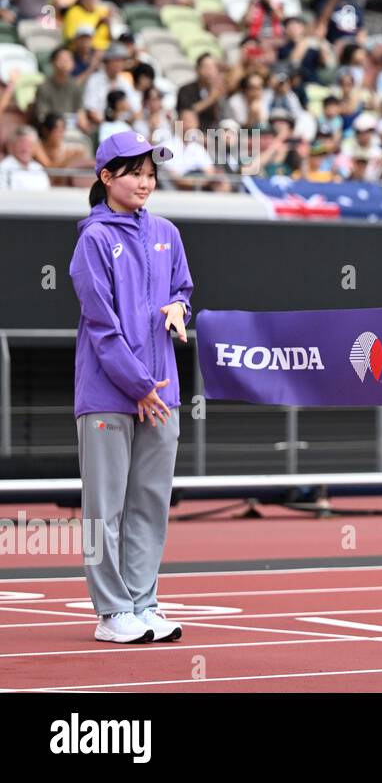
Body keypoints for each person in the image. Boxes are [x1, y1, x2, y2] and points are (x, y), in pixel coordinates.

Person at [70, 131, 192, 645]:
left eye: (149, 173)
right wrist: (139, 385)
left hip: (161, 395)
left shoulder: (167, 231)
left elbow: (183, 289)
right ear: (106, 178)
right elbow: (101, 326)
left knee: (149, 502)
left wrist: (178, 309)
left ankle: (143, 602)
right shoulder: (94, 240)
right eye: (134, 172)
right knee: (106, 507)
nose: (145, 182)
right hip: (109, 394)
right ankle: (111, 611)